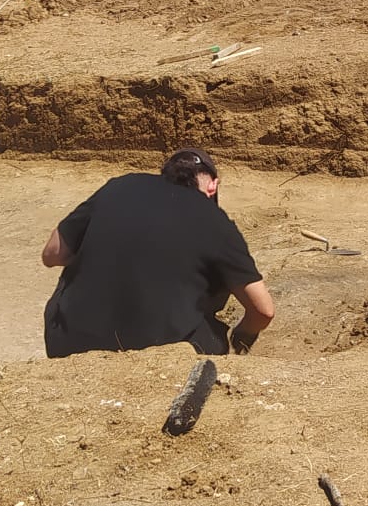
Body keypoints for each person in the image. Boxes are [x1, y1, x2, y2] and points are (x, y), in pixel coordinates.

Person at [41, 148, 276, 357]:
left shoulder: (119, 186)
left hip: (69, 343)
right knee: (211, 330)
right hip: (158, 353)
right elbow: (263, 311)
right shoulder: (216, 222)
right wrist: (242, 336)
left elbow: (52, 255)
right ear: (212, 185)